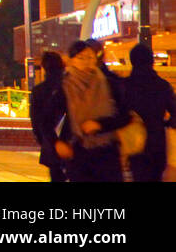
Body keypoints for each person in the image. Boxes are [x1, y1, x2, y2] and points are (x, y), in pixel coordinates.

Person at [55, 40, 129, 182]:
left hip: (107, 153)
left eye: (90, 57)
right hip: (79, 151)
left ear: (96, 59)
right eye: (81, 58)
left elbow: (125, 116)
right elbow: (47, 120)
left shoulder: (109, 83)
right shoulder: (64, 87)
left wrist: (100, 125)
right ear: (71, 61)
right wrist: (56, 142)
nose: (86, 62)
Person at [123, 43, 176, 182]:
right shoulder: (162, 86)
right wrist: (166, 122)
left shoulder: (125, 85)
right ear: (151, 61)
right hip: (157, 142)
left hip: (134, 142)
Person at [29, 51, 68, 182]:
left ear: (44, 67)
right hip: (73, 144)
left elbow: (36, 122)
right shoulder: (70, 86)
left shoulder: (38, 91)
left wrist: (45, 141)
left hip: (51, 144)